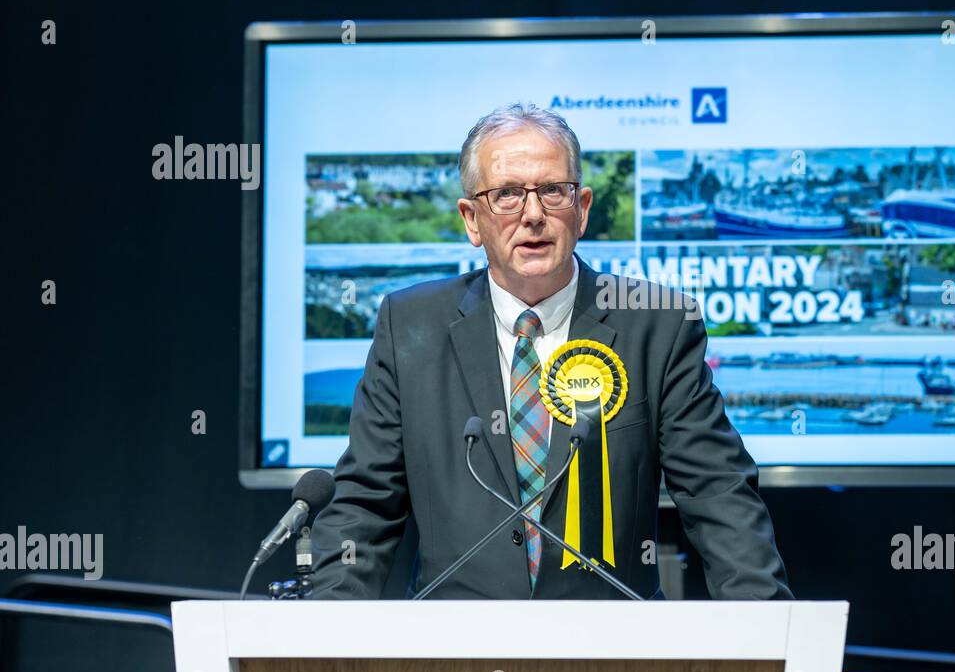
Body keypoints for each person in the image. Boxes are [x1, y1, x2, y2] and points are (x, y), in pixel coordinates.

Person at [309, 102, 792, 600]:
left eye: (552, 191)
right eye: (507, 195)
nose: (533, 214)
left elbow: (719, 498)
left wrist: (774, 638)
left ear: (581, 210)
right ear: (471, 220)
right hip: (454, 653)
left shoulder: (656, 324)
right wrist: (319, 643)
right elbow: (365, 504)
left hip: (613, 654)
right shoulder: (410, 325)